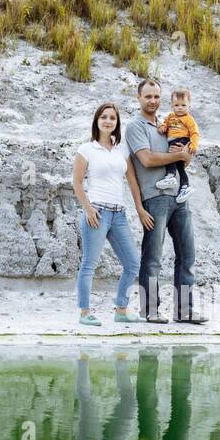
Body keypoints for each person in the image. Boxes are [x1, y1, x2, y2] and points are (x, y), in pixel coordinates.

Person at [125, 79, 209, 325]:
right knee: (153, 257)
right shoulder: (135, 127)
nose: (153, 101)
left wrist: (185, 155)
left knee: (187, 255)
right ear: (139, 98)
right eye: (148, 96)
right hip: (155, 198)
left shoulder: (169, 124)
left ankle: (185, 311)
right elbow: (147, 159)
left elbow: (184, 158)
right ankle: (149, 310)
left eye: (156, 97)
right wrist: (179, 154)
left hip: (179, 198)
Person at [72, 101, 149, 326]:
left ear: (117, 123)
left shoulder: (121, 150)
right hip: (97, 212)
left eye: (112, 118)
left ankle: (121, 309)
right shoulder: (86, 150)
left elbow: (132, 180)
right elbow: (76, 183)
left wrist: (139, 208)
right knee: (89, 264)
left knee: (133, 263)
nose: (108, 121)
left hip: (119, 214)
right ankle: (85, 313)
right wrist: (88, 208)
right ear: (97, 121)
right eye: (104, 117)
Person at [153, 87, 200, 205]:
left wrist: (193, 145)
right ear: (172, 105)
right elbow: (165, 125)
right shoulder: (170, 117)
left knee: (171, 155)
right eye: (177, 105)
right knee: (180, 166)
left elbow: (194, 133)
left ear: (189, 106)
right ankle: (185, 187)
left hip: (182, 140)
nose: (180, 108)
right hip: (172, 139)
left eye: (183, 105)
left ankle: (170, 176)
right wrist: (163, 128)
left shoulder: (188, 119)